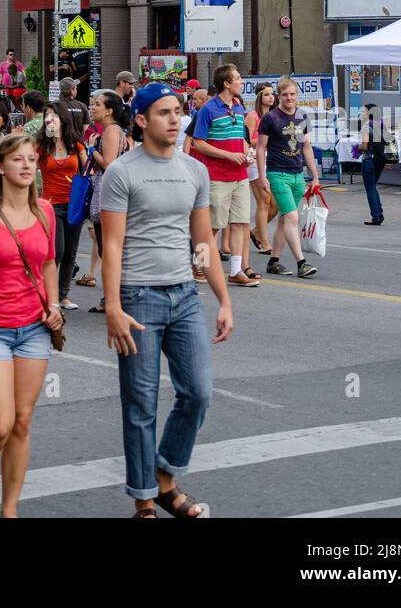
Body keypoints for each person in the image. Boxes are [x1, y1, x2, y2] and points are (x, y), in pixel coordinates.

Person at [101, 83, 232, 519]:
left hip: (184, 296)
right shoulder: (121, 173)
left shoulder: (195, 170)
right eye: (163, 112)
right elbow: (113, 246)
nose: (175, 119)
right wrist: (114, 307)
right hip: (138, 297)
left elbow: (202, 243)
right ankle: (146, 502)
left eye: (178, 111)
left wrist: (223, 299)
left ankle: (164, 477)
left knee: (198, 393)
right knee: (140, 406)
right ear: (140, 120)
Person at [0, 133, 63, 518]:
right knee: (0, 425)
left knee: (21, 422)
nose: (26, 166)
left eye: (32, 160)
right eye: (17, 159)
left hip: (34, 327)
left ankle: (10, 509)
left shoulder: (45, 212)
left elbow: (49, 264)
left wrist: (54, 305)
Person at [189, 64, 260, 288]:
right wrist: (228, 156)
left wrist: (247, 153)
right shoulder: (207, 110)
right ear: (227, 84)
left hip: (239, 174)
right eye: (238, 78)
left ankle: (236, 270)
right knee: (212, 225)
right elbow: (199, 143)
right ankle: (199, 263)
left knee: (240, 222)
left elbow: (241, 138)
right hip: (216, 175)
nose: (241, 81)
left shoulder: (239, 108)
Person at [256, 76, 319, 279]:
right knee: (292, 216)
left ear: (297, 94)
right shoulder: (271, 118)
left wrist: (315, 176)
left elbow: (306, 147)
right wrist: (262, 175)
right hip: (277, 173)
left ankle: (274, 261)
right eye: (285, 95)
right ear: (279, 96)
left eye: (292, 94)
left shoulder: (303, 117)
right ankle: (302, 263)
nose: (289, 98)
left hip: (297, 174)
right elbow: (260, 148)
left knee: (285, 218)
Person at [37, 100, 87, 311]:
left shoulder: (76, 144)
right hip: (50, 205)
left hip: (73, 203)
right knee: (57, 250)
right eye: (47, 116)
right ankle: (47, 293)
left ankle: (63, 295)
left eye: (54, 116)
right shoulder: (40, 145)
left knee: (70, 252)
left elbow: (87, 171)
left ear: (63, 120)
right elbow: (27, 167)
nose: (50, 120)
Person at [87, 90, 131, 313]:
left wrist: (91, 150)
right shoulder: (112, 130)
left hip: (109, 192)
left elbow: (108, 163)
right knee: (109, 247)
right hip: (113, 192)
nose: (93, 107)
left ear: (109, 111)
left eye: (97, 104)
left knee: (109, 247)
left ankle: (113, 298)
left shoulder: (111, 131)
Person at [244, 84, 278, 254]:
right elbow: (246, 140)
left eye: (272, 94)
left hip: (271, 160)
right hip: (255, 160)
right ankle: (264, 242)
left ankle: (257, 231)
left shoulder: (274, 115)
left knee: (276, 204)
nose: (270, 97)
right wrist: (266, 140)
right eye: (266, 95)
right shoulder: (252, 115)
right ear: (259, 97)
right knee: (263, 201)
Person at [360, 102, 394, 226]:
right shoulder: (381, 125)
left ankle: (376, 216)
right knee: (373, 187)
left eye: (363, 112)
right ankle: (379, 213)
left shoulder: (365, 127)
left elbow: (364, 146)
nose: (361, 114)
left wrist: (357, 148)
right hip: (379, 160)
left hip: (369, 160)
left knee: (370, 188)